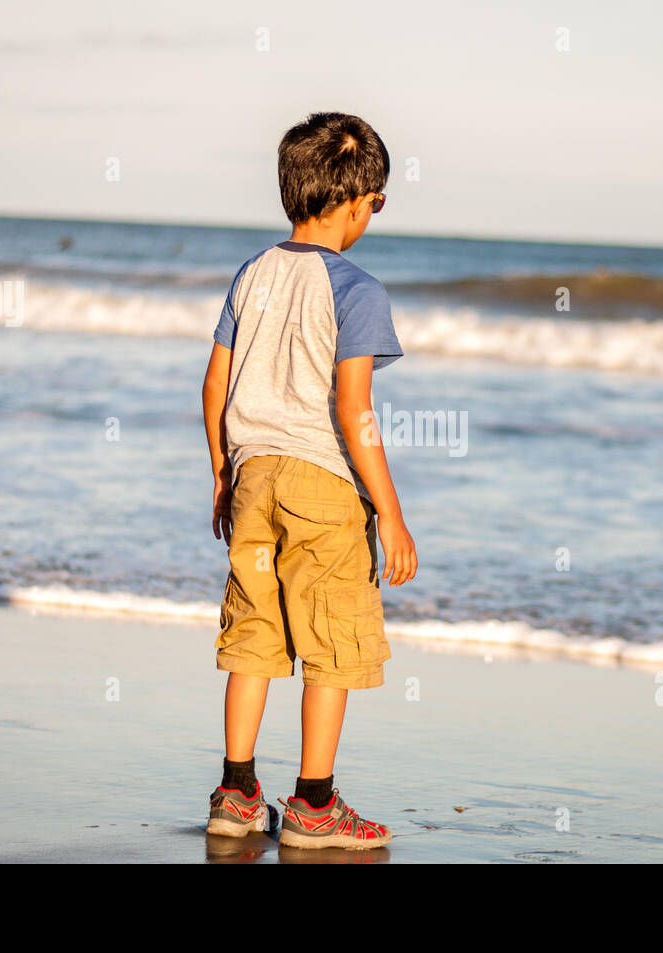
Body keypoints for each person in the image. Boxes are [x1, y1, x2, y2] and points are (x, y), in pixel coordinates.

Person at [201, 112, 417, 849]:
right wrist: (388, 512)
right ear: (358, 202)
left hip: (253, 476)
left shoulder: (254, 273)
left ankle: (235, 793)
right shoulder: (357, 288)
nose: (373, 216)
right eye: (378, 202)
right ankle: (314, 804)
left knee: (253, 632)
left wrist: (223, 471)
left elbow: (215, 382)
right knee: (333, 639)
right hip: (322, 485)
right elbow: (354, 410)